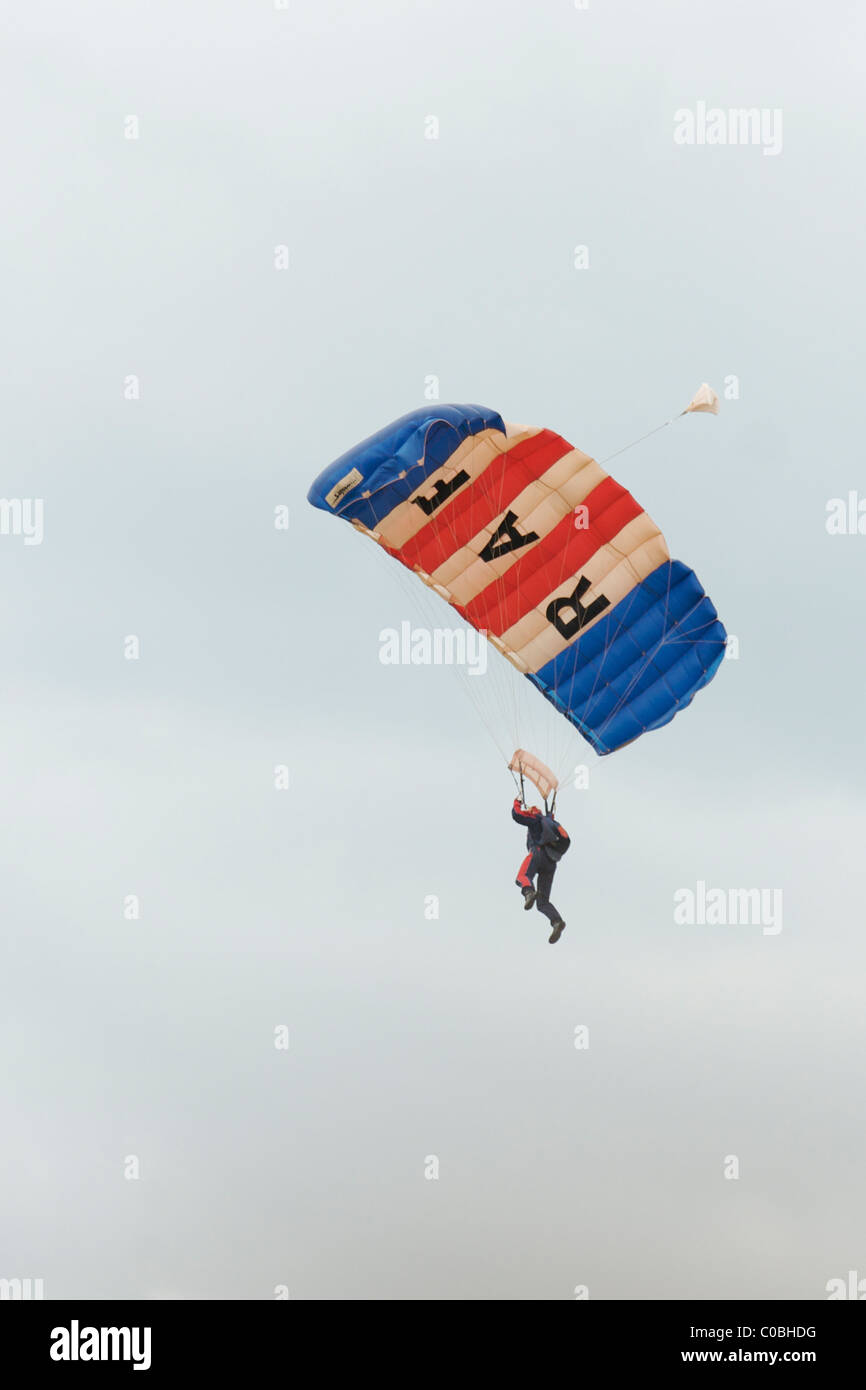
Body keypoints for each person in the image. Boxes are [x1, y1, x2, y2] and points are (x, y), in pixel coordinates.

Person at [512, 798, 569, 944]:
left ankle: (529, 892)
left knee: (522, 877)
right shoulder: (550, 823)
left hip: (538, 853)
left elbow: (518, 815)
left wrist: (516, 802)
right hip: (551, 863)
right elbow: (551, 820)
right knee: (543, 902)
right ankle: (557, 921)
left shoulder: (535, 818)